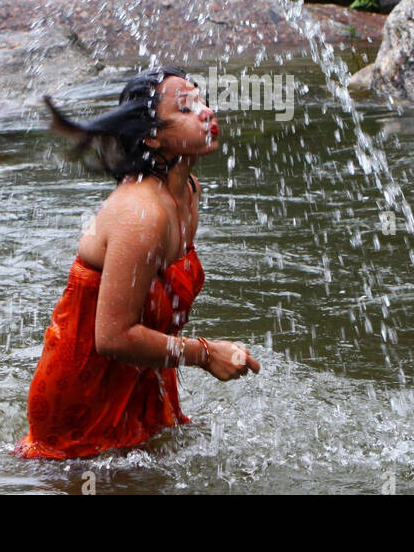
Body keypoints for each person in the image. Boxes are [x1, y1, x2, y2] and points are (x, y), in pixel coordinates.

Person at [14, 67, 260, 460]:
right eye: (186, 108)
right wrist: (204, 353)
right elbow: (112, 337)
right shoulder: (141, 213)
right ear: (151, 136)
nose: (207, 113)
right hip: (84, 394)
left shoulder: (188, 192)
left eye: (202, 100)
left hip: (141, 378)